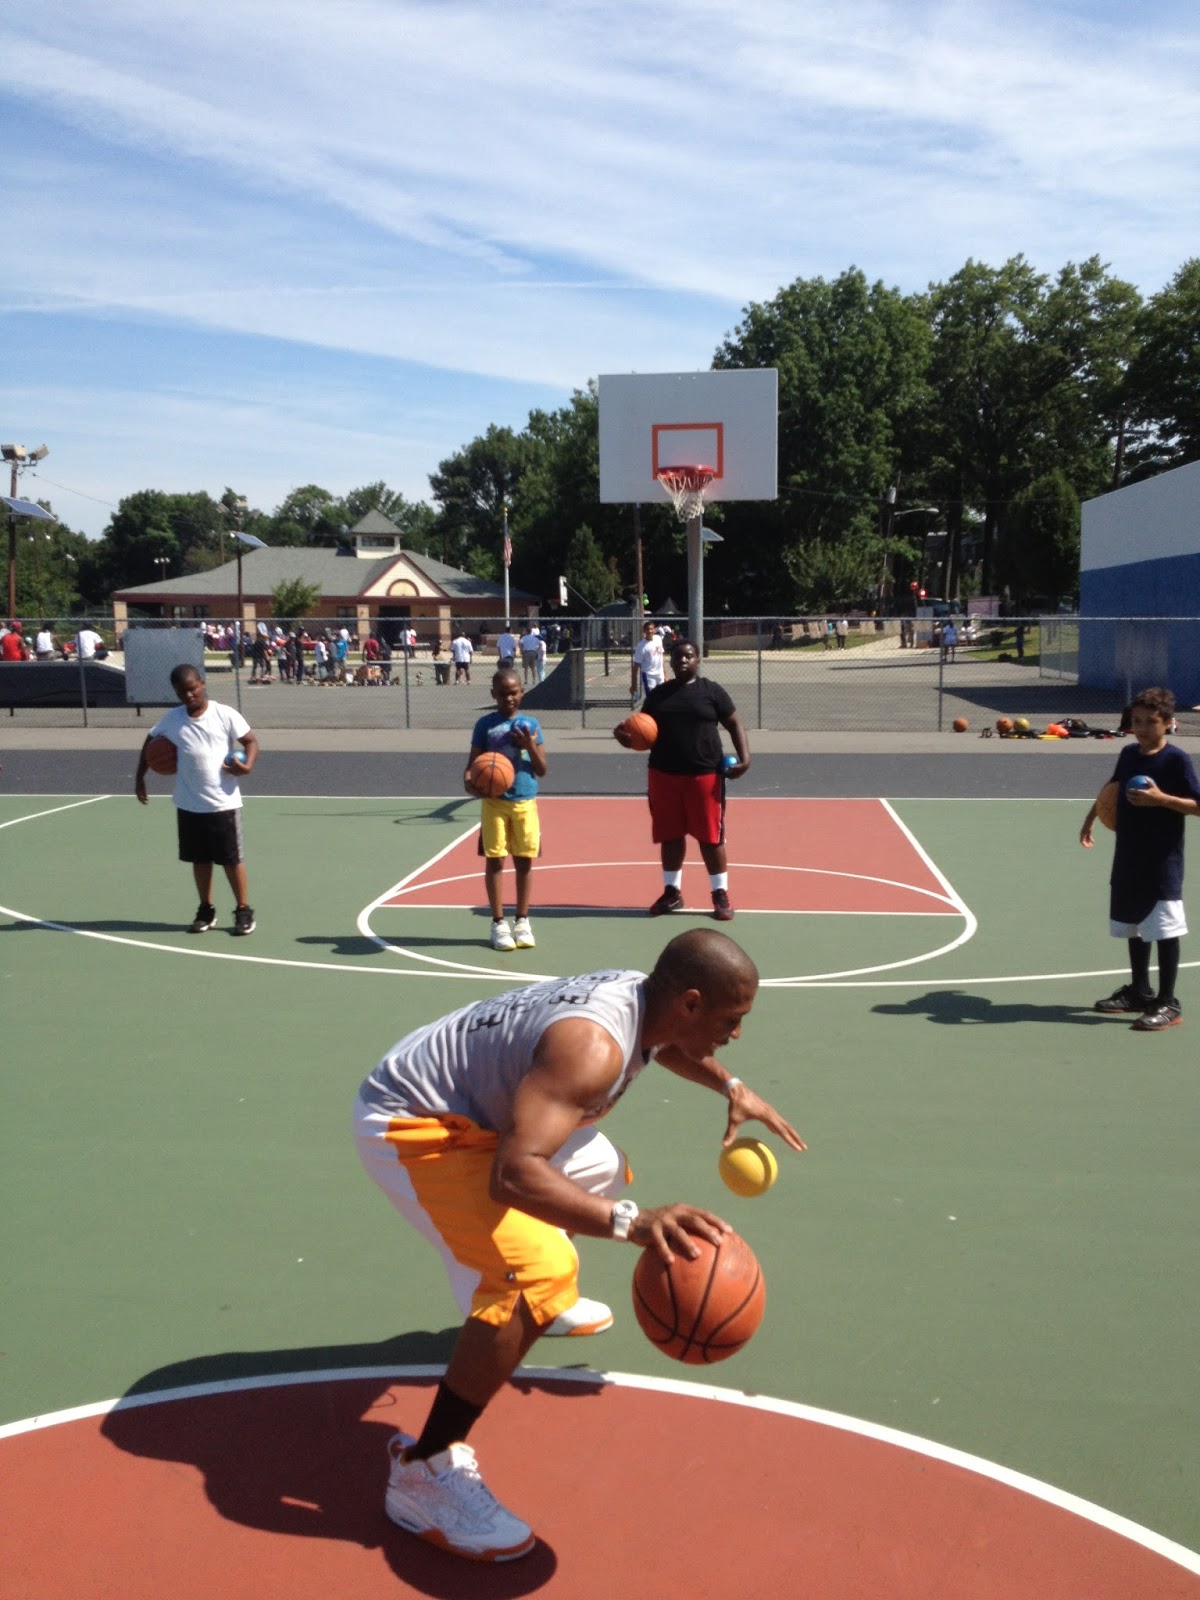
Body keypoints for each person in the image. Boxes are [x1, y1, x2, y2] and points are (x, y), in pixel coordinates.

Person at [352, 927, 805, 1562]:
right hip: (413, 1121)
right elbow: (512, 1175)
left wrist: (730, 1086)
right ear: (692, 1002)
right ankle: (424, 1473)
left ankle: (510, 1287)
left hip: (471, 1102)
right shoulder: (591, 1048)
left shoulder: (644, 1000)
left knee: (597, 1166)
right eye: (732, 1020)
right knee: (540, 1272)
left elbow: (666, 1047)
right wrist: (636, 1223)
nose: (736, 1034)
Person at [1080, 686, 1200, 1031]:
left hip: (1161, 862)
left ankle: (1168, 1002)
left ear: (1169, 723)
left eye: (1151, 722)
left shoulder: (1176, 760)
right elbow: (1112, 788)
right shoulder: (1129, 753)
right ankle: (1139, 991)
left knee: (1163, 930)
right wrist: (1090, 820)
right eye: (1137, 721)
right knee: (1133, 924)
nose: (1143, 728)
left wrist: (1162, 799)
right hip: (1128, 857)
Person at [613, 639, 749, 922]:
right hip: (664, 774)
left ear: (698, 660)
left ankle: (719, 894)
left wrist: (744, 758)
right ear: (670, 663)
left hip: (705, 774)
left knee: (711, 838)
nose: (682, 661)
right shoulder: (659, 696)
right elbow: (641, 734)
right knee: (670, 836)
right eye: (677, 658)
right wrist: (624, 738)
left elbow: (734, 722)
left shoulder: (711, 692)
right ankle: (672, 892)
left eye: (688, 656)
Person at [134, 664, 259, 937]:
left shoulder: (224, 714)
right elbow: (149, 742)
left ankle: (243, 910)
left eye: (192, 689)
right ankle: (206, 909)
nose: (189, 696)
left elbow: (250, 741)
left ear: (202, 684)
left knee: (231, 860)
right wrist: (140, 777)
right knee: (200, 861)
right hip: (189, 803)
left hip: (222, 803)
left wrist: (247, 765)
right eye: (182, 692)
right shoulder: (172, 719)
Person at [466, 670, 545, 951]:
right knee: (495, 860)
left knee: (524, 861)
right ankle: (498, 923)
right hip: (494, 803)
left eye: (514, 692)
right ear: (493, 695)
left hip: (525, 800)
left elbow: (542, 769)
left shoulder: (531, 725)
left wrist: (530, 746)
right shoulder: (484, 725)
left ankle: (522, 920)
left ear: (522, 692)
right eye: (502, 694)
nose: (509, 698)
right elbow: (471, 767)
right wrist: (472, 784)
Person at [630, 619, 665, 705]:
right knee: (651, 699)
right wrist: (634, 685)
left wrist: (665, 674)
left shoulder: (658, 639)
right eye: (648, 629)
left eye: (651, 629)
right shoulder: (641, 646)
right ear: (644, 631)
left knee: (663, 696)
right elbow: (636, 666)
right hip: (649, 675)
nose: (650, 631)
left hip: (659, 674)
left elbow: (661, 657)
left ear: (654, 630)